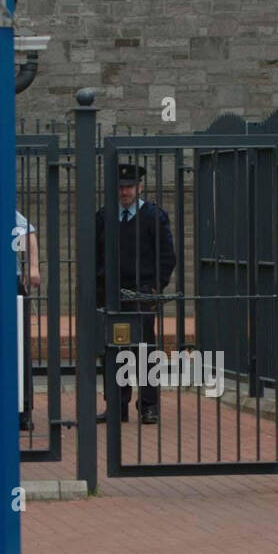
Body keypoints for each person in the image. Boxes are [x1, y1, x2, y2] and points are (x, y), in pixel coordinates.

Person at [94, 163, 178, 424]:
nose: (125, 192)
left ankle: (149, 406)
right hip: (112, 294)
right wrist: (101, 285)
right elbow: (94, 254)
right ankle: (116, 405)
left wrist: (154, 289)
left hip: (141, 294)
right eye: (120, 187)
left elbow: (167, 256)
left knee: (145, 351)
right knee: (113, 351)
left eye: (129, 186)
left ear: (139, 187)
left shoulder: (153, 215)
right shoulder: (105, 216)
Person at [12, 210, 41, 431]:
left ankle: (23, 409)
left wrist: (33, 267)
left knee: (19, 348)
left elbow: (28, 232)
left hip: (9, 279)